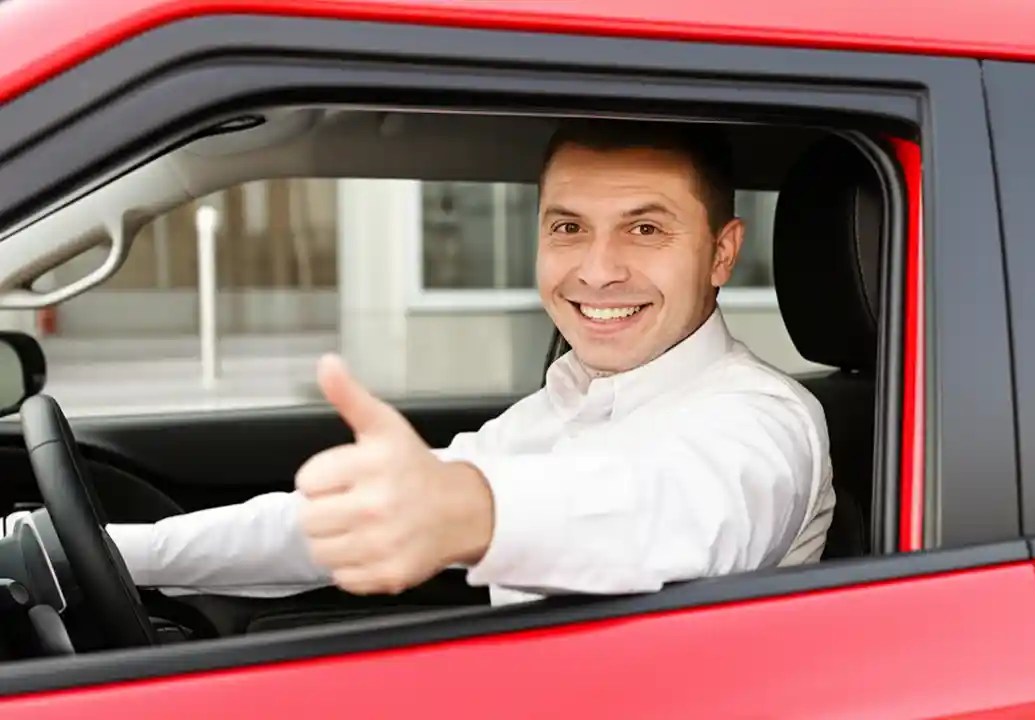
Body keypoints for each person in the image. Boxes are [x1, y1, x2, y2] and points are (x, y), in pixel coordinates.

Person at [107, 119, 836, 607]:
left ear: (722, 252)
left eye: (645, 228)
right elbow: (345, 522)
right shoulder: (559, 406)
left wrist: (466, 512)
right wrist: (126, 555)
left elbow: (671, 513)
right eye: (568, 228)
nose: (598, 269)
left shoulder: (765, 422)